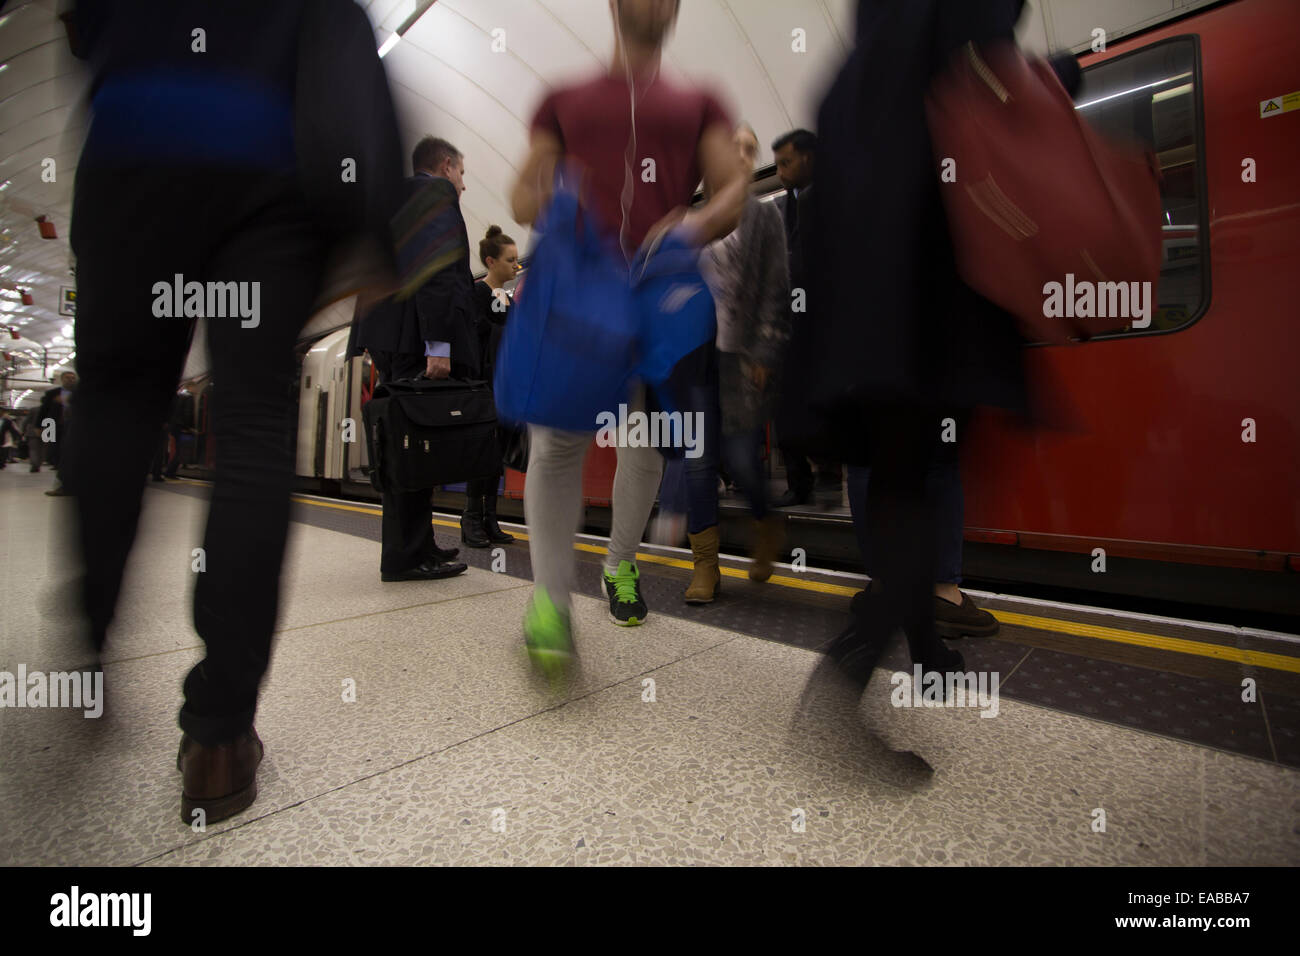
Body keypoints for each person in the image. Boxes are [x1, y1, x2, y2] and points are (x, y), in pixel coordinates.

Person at [64, 0, 406, 824]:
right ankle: (218, 734)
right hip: (267, 161)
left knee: (115, 404)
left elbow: (81, 26)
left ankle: (89, 634)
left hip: (135, 142)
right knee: (253, 425)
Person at [788, 0, 1032, 689]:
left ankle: (924, 648)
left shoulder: (857, 68)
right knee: (915, 488)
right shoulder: (941, 33)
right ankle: (839, 683)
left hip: (877, 323)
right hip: (914, 313)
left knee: (904, 482)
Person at [509, 0, 746, 670]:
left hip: (652, 295)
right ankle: (551, 601)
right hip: (578, 291)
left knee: (644, 443)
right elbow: (522, 201)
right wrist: (547, 185)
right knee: (558, 443)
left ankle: (620, 565)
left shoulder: (700, 102)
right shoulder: (563, 99)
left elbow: (730, 188)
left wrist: (691, 226)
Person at [349, 136, 477, 582]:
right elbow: (436, 269)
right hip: (415, 337)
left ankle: (418, 544)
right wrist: (437, 344)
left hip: (390, 333)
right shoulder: (435, 193)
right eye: (462, 173)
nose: (463, 185)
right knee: (412, 442)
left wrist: (363, 335)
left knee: (411, 439)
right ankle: (405, 556)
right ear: (445, 166)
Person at [682, 122, 790, 603]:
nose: (745, 157)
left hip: (741, 358)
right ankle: (705, 567)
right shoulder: (694, 219)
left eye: (752, 149)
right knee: (699, 461)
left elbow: (775, 288)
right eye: (736, 149)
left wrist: (767, 350)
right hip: (697, 356)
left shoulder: (765, 217)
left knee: (744, 459)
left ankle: (767, 522)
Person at [769, 130, 840, 510]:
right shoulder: (780, 208)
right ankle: (800, 481)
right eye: (776, 164)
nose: (780, 171)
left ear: (809, 159)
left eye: (786, 163)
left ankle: (830, 466)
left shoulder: (836, 198)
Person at [460, 225, 520, 548]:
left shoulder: (506, 300)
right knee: (481, 453)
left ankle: (489, 518)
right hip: (484, 388)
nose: (516, 265)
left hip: (504, 387)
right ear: (490, 261)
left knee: (495, 455)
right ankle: (470, 517)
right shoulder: (478, 295)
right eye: (510, 260)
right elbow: (475, 340)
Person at [38, 371, 77, 495]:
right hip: (56, 428)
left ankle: (67, 485)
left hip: (76, 430)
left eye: (73, 377)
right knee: (56, 455)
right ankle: (63, 485)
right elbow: (44, 411)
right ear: (61, 379)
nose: (70, 380)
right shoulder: (52, 394)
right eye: (67, 377)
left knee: (70, 457)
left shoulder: (81, 393)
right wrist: (39, 426)